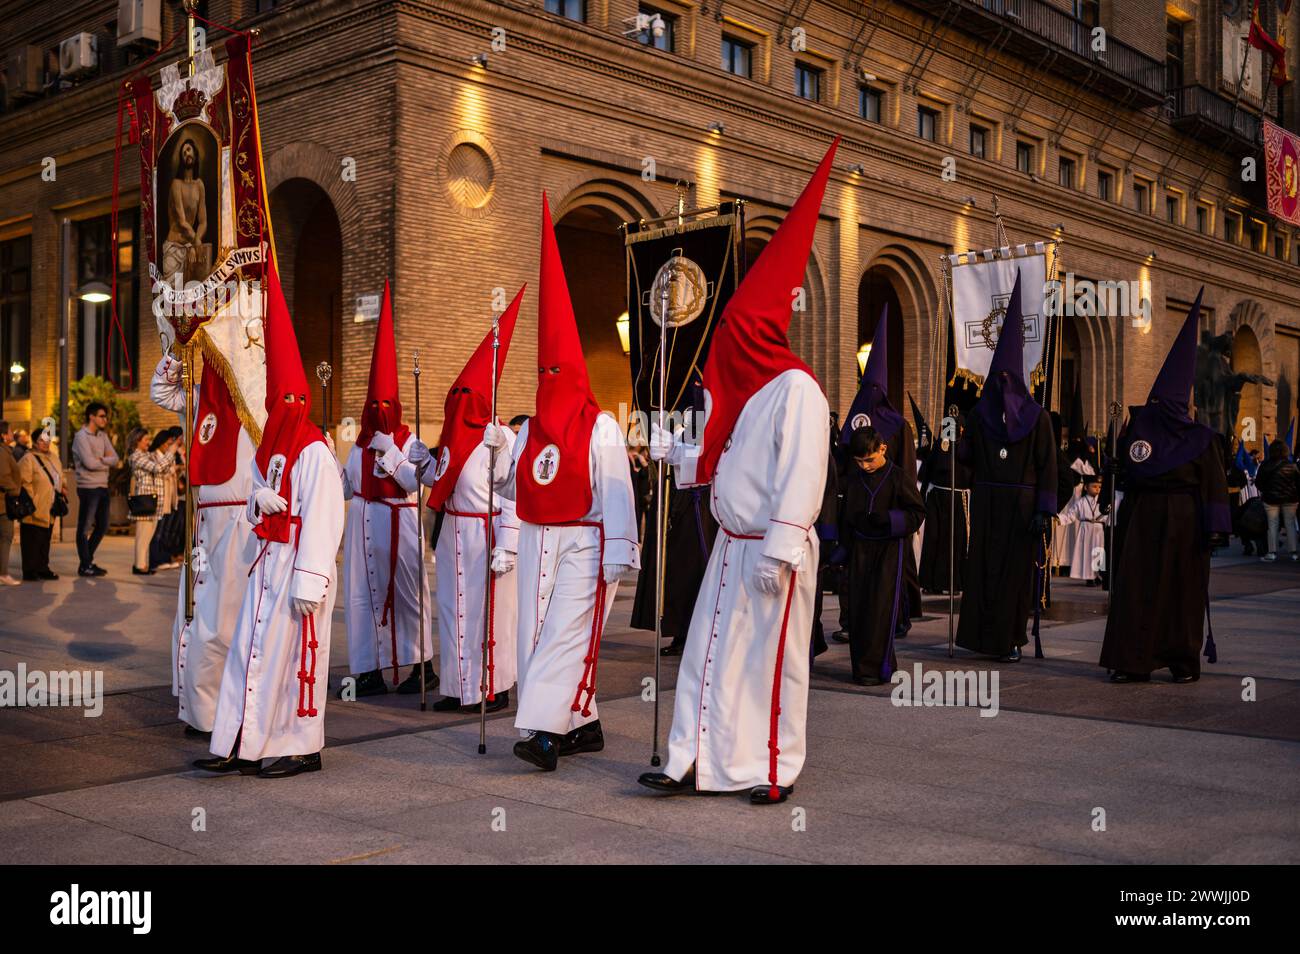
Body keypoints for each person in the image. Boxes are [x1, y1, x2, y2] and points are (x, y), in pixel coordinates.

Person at [639, 139, 837, 805]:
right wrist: (676, 455)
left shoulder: (799, 392)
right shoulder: (751, 398)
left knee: (768, 665)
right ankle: (688, 759)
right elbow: (723, 459)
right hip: (731, 547)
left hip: (770, 552)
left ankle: (772, 768)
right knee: (708, 654)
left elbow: (803, 476)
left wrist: (780, 548)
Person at [487, 194, 640, 772]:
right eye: (542, 371)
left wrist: (621, 552)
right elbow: (514, 492)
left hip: (584, 544)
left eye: (558, 371)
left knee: (566, 638)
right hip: (538, 544)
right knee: (537, 637)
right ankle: (584, 725)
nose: (549, 379)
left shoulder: (599, 425)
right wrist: (500, 456)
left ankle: (544, 735)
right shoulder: (531, 431)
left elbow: (617, 489)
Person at [196, 261, 344, 778]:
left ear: (298, 400)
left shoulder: (315, 452)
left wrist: (311, 577)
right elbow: (258, 497)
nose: (279, 407)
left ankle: (299, 745)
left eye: (288, 399)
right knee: (250, 652)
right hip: (266, 559)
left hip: (297, 564)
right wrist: (259, 504)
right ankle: (238, 738)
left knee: (291, 659)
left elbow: (326, 516)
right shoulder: (267, 452)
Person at [1100, 290, 1231, 684]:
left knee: (1177, 590)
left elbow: (1214, 487)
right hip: (1153, 518)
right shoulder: (1151, 430)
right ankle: (1135, 661)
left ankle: (1177, 660)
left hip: (1167, 521)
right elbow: (1129, 471)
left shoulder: (1199, 438)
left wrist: (1214, 530)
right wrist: (1114, 466)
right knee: (1148, 588)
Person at [409, 287, 525, 713]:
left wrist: (508, 543)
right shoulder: (452, 442)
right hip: (454, 534)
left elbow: (513, 492)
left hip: (487, 533)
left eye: (465, 397)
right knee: (454, 612)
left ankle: (492, 687)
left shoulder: (500, 437)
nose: (459, 403)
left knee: (488, 615)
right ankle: (459, 688)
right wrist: (423, 465)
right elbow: (443, 484)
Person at [152, 348, 260, 739]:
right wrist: (174, 351)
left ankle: (221, 710)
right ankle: (198, 707)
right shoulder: (200, 397)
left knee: (222, 620)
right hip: (202, 517)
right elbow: (162, 393)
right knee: (194, 616)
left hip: (238, 521)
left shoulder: (256, 397)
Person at [954, 271, 1058, 663]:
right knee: (982, 571)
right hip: (987, 505)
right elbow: (966, 460)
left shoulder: (1038, 418)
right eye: (996, 379)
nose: (1001, 385)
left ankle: (1011, 636)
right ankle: (981, 637)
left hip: (1020, 510)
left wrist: (1044, 511)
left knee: (1014, 574)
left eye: (1007, 379)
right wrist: (953, 442)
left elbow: (1048, 467)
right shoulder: (980, 415)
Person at [339, 281, 436, 697]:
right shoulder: (358, 442)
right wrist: (329, 463)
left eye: (385, 407)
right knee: (362, 597)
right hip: (362, 524)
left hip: (400, 521)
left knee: (408, 595)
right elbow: (346, 487)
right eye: (372, 407)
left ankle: (420, 664)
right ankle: (368, 669)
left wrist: (394, 454)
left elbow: (416, 483)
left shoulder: (408, 437)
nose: (378, 414)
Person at [840, 304, 921, 631]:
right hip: (859, 508)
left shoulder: (899, 426)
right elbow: (843, 462)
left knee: (895, 571)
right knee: (855, 573)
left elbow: (906, 472)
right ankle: (851, 621)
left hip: (891, 503)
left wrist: (900, 502)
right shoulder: (853, 422)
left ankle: (897, 617)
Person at [837, 426, 926, 685]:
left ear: (883, 449)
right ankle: (861, 666)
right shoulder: (855, 480)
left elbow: (917, 512)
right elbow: (846, 518)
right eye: (859, 461)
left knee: (880, 609)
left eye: (869, 460)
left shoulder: (898, 477)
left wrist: (889, 519)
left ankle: (877, 668)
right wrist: (841, 550)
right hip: (859, 550)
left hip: (888, 550)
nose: (864, 466)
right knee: (858, 608)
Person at [917, 414, 971, 594]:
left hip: (956, 500)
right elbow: (928, 471)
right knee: (935, 539)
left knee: (953, 540)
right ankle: (932, 582)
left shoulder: (963, 448)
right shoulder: (941, 447)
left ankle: (951, 582)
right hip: (939, 499)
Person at [72, 402, 118, 577]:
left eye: (105, 416)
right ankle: (85, 564)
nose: (105, 419)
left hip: (102, 486)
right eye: (101, 416)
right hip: (88, 487)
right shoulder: (81, 437)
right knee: (84, 528)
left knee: (103, 526)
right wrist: (104, 461)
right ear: (91, 416)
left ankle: (86, 561)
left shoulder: (102, 436)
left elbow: (115, 458)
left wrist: (102, 460)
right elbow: (89, 464)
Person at [17, 428, 63, 581]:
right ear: (34, 442)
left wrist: (63, 487)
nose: (45, 443)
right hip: (35, 507)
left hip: (50, 506)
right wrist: (33, 501)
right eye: (42, 440)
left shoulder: (53, 457)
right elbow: (24, 482)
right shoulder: (28, 459)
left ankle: (43, 568)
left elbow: (59, 476)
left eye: (48, 440)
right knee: (31, 540)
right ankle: (30, 570)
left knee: (44, 540)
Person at [126, 426, 172, 576]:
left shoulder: (145, 455)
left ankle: (143, 564)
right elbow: (158, 468)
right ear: (137, 441)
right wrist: (171, 453)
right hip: (144, 500)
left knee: (148, 535)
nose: (149, 442)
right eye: (146, 439)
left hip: (152, 501)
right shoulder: (136, 456)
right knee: (143, 535)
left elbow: (162, 469)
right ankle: (139, 566)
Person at [1056, 474, 1107, 586]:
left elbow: (1108, 516)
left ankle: (1097, 575)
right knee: (1087, 553)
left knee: (1098, 553)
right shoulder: (1081, 502)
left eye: (1099, 487)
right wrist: (1059, 519)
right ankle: (1089, 577)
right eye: (1094, 486)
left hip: (1098, 530)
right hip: (1086, 529)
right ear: (1086, 487)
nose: (1097, 489)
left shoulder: (1103, 502)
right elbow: (1071, 515)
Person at [1255, 439, 1299, 562]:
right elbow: (1298, 482)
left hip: (1271, 498)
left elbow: (1258, 482)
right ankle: (1294, 553)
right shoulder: (1292, 465)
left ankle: (1272, 552)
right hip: (1290, 498)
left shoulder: (1265, 465)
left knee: (1272, 524)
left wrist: (1266, 490)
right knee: (1290, 524)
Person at [146, 429, 182, 571]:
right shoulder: (153, 456)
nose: (169, 446)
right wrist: (174, 467)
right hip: (160, 498)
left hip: (170, 497)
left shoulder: (168, 456)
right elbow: (163, 470)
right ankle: (155, 560)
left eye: (171, 444)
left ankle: (163, 558)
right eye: (168, 444)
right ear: (161, 443)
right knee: (157, 532)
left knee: (165, 531)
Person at [0, 420, 21, 585]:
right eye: (10, 431)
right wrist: (16, 491)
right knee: (6, 537)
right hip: (3, 503)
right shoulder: (2, 452)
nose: (12, 433)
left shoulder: (5, 451)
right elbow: (4, 477)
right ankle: (3, 573)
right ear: (3, 435)